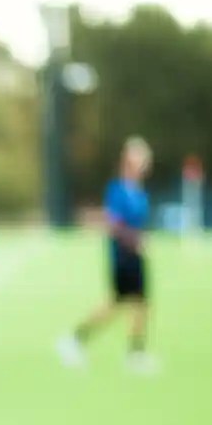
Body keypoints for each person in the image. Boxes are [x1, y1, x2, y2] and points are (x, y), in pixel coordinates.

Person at [58, 136, 157, 374]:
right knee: (119, 303)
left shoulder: (139, 192)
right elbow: (113, 223)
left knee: (140, 304)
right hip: (122, 255)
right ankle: (76, 339)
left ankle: (135, 351)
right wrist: (135, 241)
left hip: (135, 255)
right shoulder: (118, 189)